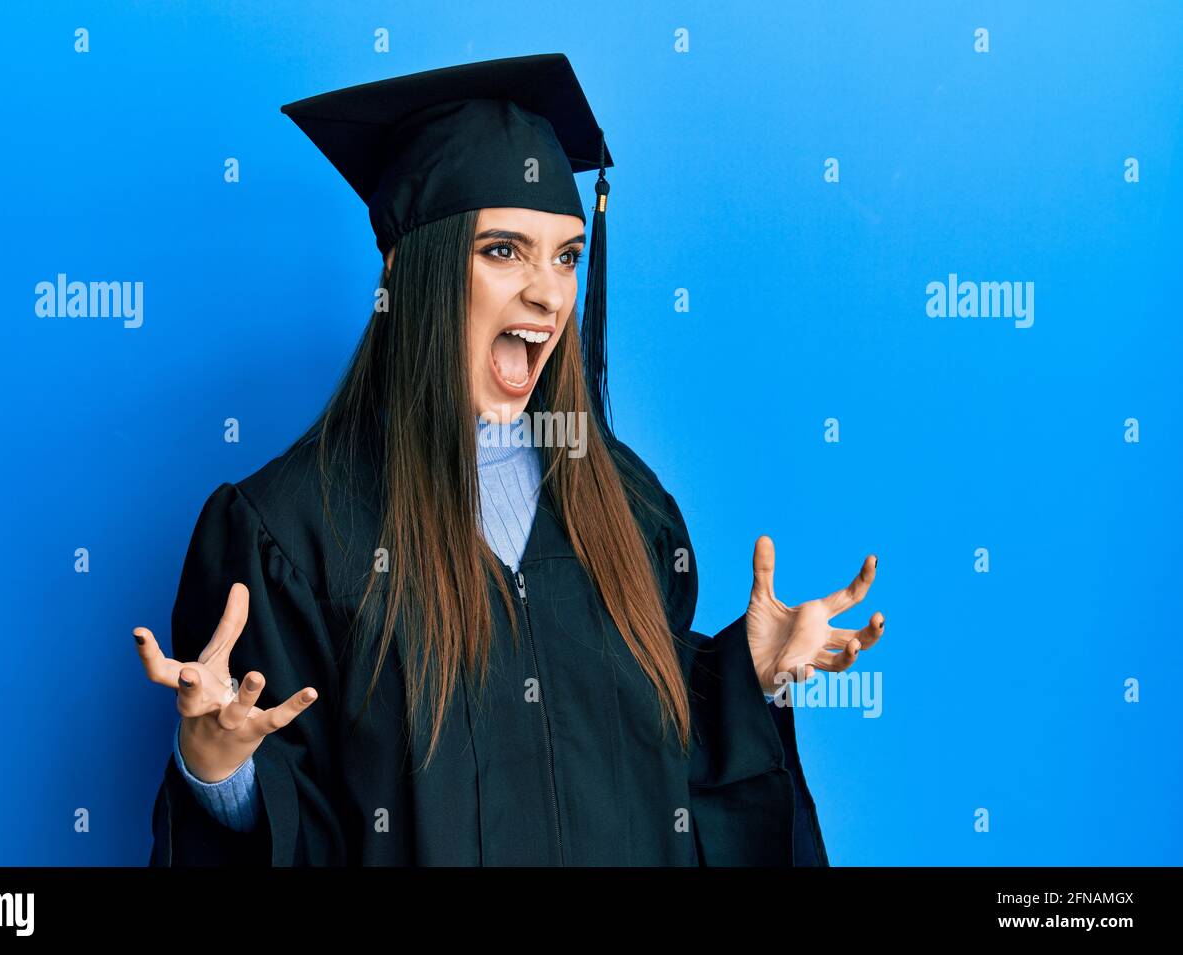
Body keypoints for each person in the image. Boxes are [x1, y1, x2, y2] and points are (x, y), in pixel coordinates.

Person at [133, 53, 884, 866]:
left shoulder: (625, 505)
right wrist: (218, 771)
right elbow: (299, 815)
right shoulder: (291, 533)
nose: (548, 293)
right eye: (503, 250)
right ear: (404, 272)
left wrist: (748, 674)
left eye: (566, 256)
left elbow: (659, 777)